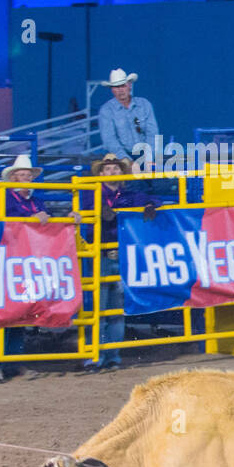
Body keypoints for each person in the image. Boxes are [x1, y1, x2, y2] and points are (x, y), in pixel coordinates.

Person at [80, 154, 163, 371]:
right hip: (100, 256)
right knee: (98, 309)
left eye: (116, 169)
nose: (113, 172)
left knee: (115, 311)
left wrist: (151, 205)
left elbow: (154, 200)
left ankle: (111, 357)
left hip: (120, 255)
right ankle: (94, 356)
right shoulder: (91, 194)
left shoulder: (129, 195)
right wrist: (99, 210)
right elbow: (85, 212)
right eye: (108, 169)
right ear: (100, 173)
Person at [0, 156, 53, 381]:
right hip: (5, 260)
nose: (26, 178)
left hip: (20, 261)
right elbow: (6, 217)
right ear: (13, 177)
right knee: (3, 311)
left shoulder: (33, 201)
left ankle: (9, 363)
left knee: (18, 312)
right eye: (22, 174)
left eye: (28, 175)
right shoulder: (4, 197)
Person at [97, 68, 159, 168]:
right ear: (112, 90)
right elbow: (110, 140)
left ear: (129, 85)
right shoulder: (106, 111)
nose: (120, 90)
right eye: (116, 87)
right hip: (121, 159)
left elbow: (152, 133)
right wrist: (127, 162)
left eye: (123, 86)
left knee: (160, 181)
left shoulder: (144, 105)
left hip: (147, 155)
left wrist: (149, 158)